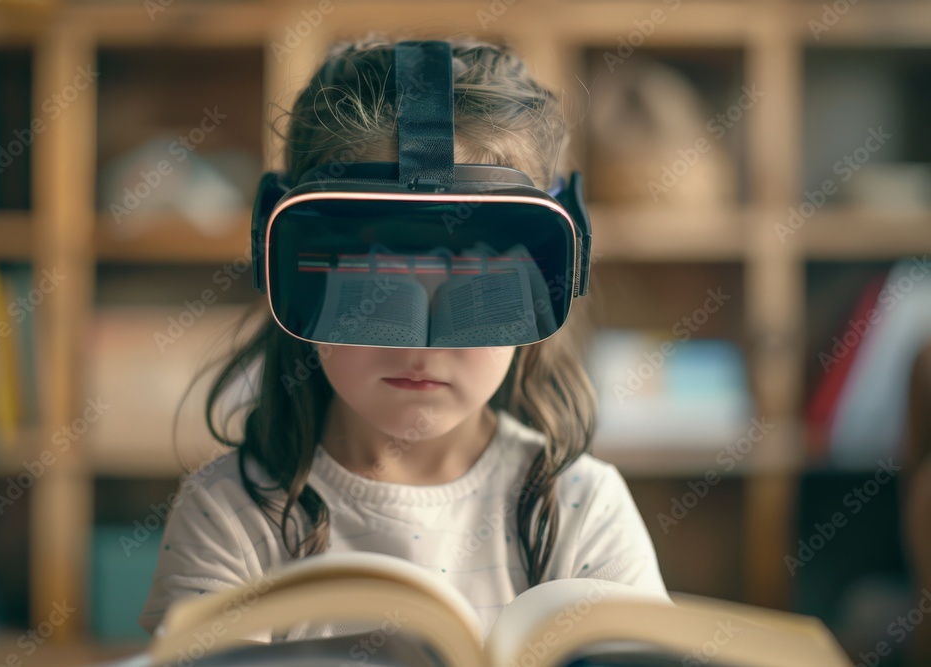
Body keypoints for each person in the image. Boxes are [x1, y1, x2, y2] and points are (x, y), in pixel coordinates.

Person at [138, 35, 668, 642]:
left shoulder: (581, 509)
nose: (422, 346)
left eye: (477, 295)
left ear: (544, 283)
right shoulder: (229, 513)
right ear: (288, 270)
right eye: (378, 292)